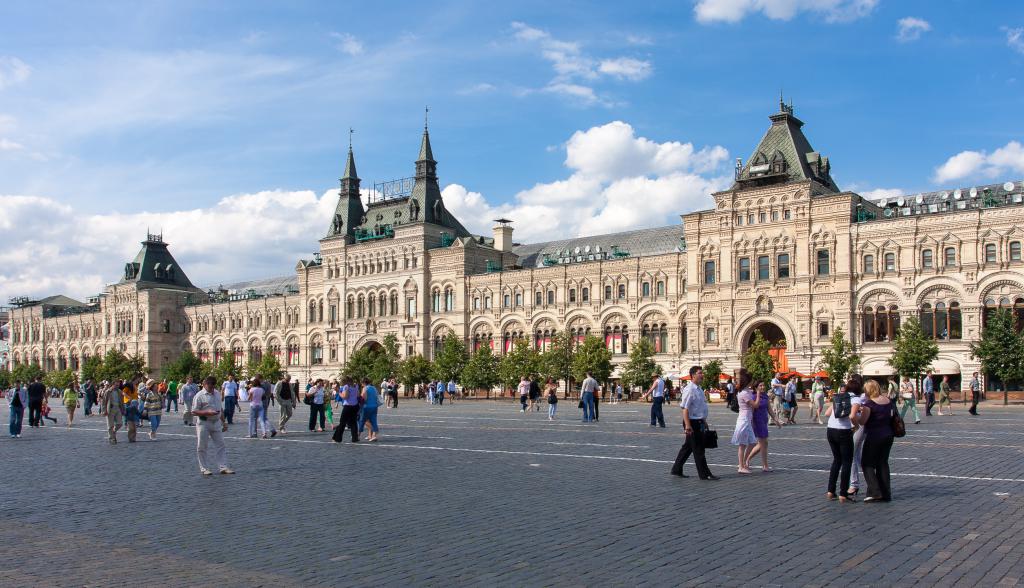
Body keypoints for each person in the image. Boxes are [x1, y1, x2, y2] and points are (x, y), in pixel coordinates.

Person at [670, 365, 716, 480]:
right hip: (692, 422)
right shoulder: (690, 389)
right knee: (699, 449)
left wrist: (704, 420)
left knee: (688, 447)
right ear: (693, 375)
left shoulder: (699, 389)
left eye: (702, 373)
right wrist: (688, 425)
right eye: (700, 373)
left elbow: (699, 407)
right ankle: (705, 474)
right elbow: (685, 408)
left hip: (699, 421)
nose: (702, 375)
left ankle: (676, 469)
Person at [857, 379, 895, 502]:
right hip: (888, 434)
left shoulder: (869, 404)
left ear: (868, 390)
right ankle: (886, 493)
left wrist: (858, 413)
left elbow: (862, 421)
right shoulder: (888, 401)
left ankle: (875, 492)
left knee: (867, 464)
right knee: (882, 463)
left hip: (874, 436)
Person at [824, 377, 860, 503]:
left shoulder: (838, 396)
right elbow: (852, 415)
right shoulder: (855, 399)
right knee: (846, 462)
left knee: (836, 460)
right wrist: (856, 426)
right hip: (843, 431)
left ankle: (830, 491)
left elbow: (827, 413)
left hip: (830, 430)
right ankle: (843, 493)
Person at [192, 376, 233, 476]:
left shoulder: (217, 393)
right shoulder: (199, 395)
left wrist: (224, 422)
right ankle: (204, 468)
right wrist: (207, 412)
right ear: (205, 384)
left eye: (213, 386)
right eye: (209, 386)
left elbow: (220, 409)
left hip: (216, 422)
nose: (211, 388)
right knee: (202, 446)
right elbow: (194, 411)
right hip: (204, 423)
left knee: (221, 445)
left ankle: (223, 467)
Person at [745, 381, 782, 472]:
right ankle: (765, 466)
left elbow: (769, 409)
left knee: (763, 443)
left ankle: (747, 460)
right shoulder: (753, 396)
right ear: (755, 387)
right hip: (757, 422)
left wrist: (776, 419)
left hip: (764, 421)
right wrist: (751, 423)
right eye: (760, 385)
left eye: (763, 385)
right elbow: (751, 411)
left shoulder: (765, 396)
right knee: (763, 443)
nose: (762, 387)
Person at [730, 369, 757, 474]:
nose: (752, 382)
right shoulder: (744, 393)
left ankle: (744, 463)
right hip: (744, 420)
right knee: (742, 444)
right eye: (751, 380)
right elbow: (755, 405)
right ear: (748, 381)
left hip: (747, 419)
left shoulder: (746, 391)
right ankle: (741, 466)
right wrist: (759, 394)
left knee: (753, 442)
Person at [845, 376, 867, 497]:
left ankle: (854, 484)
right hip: (852, 425)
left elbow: (865, 408)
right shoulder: (851, 396)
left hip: (859, 425)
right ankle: (872, 479)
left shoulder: (862, 396)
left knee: (852, 454)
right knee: (858, 456)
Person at [333, 377, 361, 443]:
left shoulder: (346, 387)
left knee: (342, 422)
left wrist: (339, 392)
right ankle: (355, 438)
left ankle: (337, 438)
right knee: (353, 422)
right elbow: (358, 395)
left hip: (348, 406)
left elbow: (345, 397)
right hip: (355, 406)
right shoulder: (356, 386)